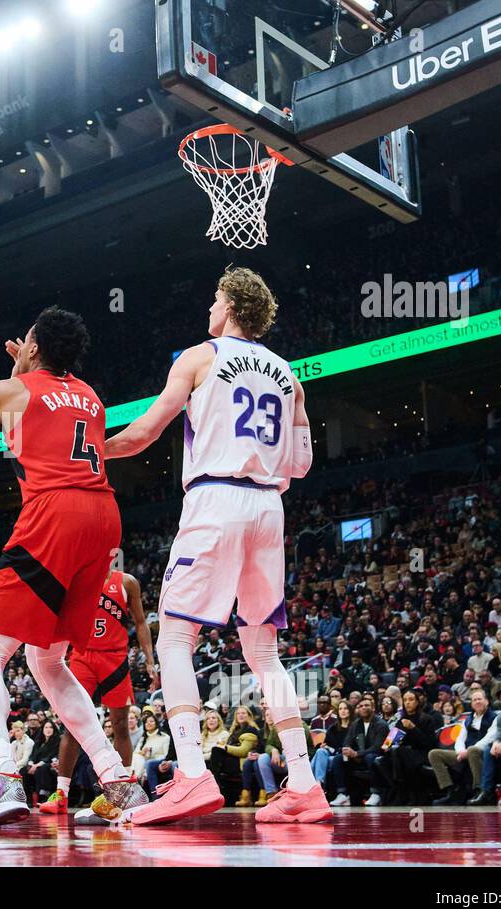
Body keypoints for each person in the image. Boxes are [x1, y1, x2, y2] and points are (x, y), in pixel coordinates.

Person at [103, 267, 328, 825]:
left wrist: (90, 453)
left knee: (175, 637)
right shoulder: (288, 376)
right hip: (269, 509)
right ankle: (303, 784)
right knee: (264, 653)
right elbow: (301, 465)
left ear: (228, 305)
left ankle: (192, 775)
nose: (208, 308)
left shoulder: (200, 357)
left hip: (216, 500)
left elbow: (145, 431)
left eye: (213, 299)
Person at [0, 306, 149, 827]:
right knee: (47, 662)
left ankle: (3, 780)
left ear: (32, 347)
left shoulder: (7, 392)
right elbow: (34, 419)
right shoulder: (91, 397)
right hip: (103, 520)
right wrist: (20, 375)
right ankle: (119, 783)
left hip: (54, 516)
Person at [41, 565, 156, 816]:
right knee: (72, 724)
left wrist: (149, 660)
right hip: (82, 656)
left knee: (120, 725)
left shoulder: (126, 583)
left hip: (114, 658)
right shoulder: (75, 580)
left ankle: (120, 791)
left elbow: (140, 622)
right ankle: (61, 793)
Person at [429, 688, 496, 804]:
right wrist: (461, 752)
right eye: (474, 700)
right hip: (465, 752)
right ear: (471, 704)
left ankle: (479, 790)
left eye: (480, 699)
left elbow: (490, 738)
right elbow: (460, 739)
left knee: (473, 750)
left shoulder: (494, 717)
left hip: (482, 752)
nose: (477, 702)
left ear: (486, 701)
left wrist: (468, 752)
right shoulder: (468, 719)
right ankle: (450, 790)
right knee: (434, 754)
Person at [331, 696, 389, 806]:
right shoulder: (356, 723)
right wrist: (348, 750)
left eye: (367, 705)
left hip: (377, 757)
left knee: (371, 757)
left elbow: (377, 747)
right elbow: (348, 741)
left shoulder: (381, 725)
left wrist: (357, 754)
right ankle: (343, 794)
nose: (363, 708)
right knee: (338, 759)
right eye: (361, 706)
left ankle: (376, 793)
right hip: (358, 757)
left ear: (373, 708)